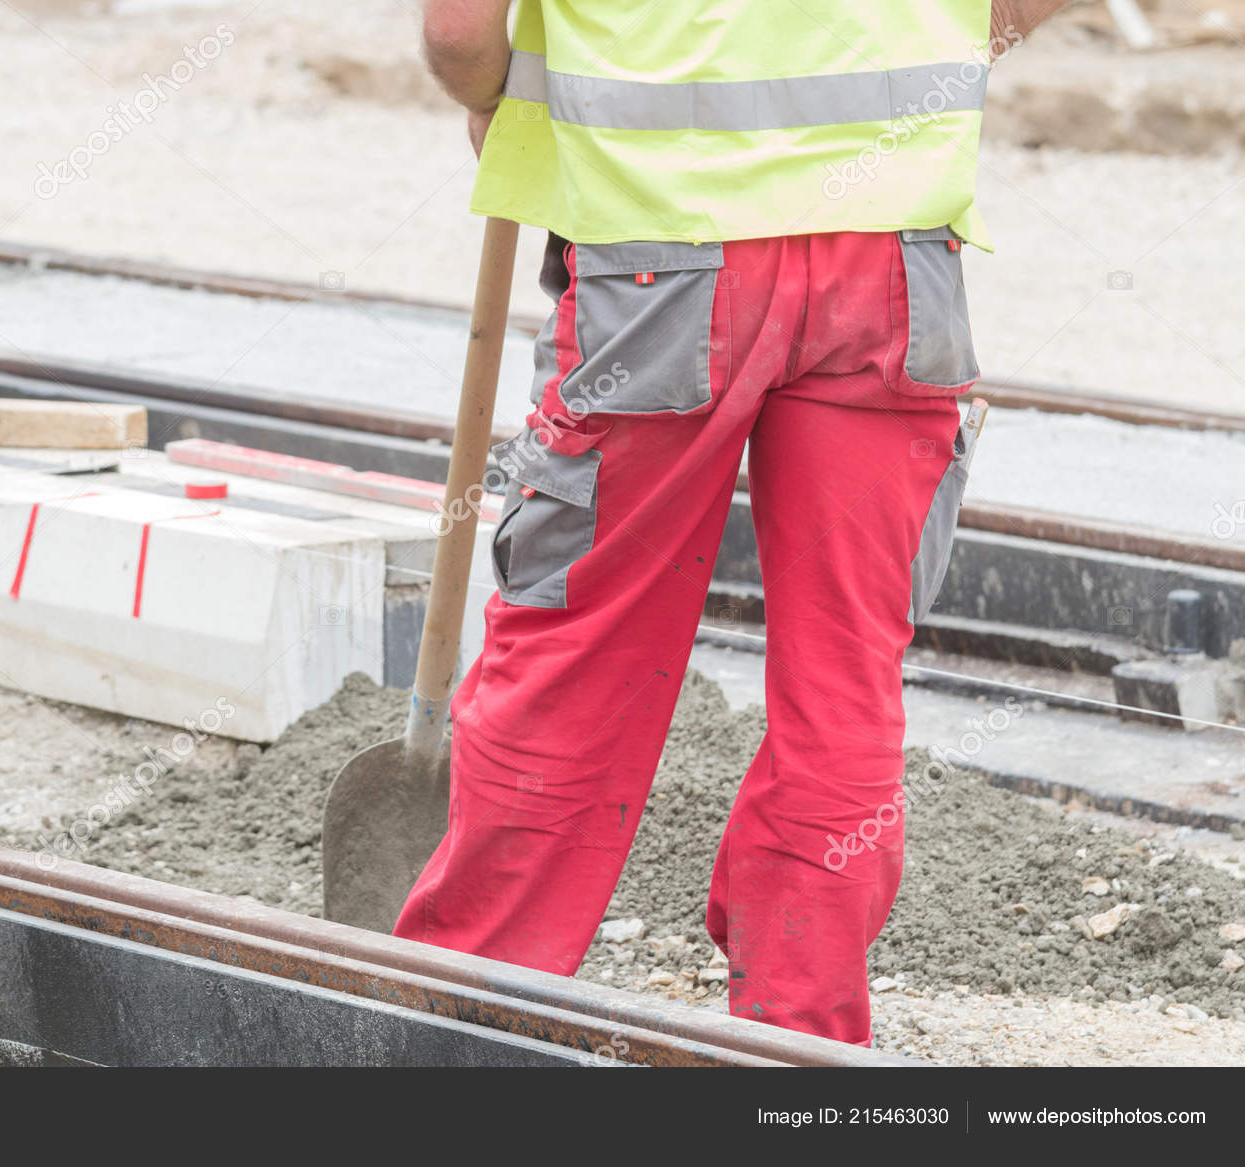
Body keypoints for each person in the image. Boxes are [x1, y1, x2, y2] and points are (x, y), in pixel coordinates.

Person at [393, 0, 1072, 1046]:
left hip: (661, 258)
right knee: (847, 674)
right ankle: (797, 1033)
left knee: (579, 646)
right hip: (894, 265)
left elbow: (456, 31)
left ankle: (471, 1020)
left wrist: (492, 104)